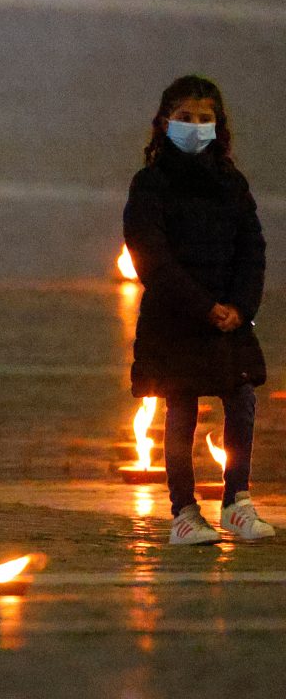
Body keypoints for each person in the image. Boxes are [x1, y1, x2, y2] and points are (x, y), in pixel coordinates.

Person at [124, 74, 275, 546]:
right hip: (176, 319)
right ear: (165, 121)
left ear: (218, 125)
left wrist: (239, 307)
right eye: (184, 117)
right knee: (181, 407)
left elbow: (252, 247)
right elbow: (151, 255)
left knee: (242, 400)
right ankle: (184, 511)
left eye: (203, 119)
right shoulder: (150, 184)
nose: (193, 126)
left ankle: (238, 501)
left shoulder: (231, 184)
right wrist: (202, 306)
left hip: (227, 318)